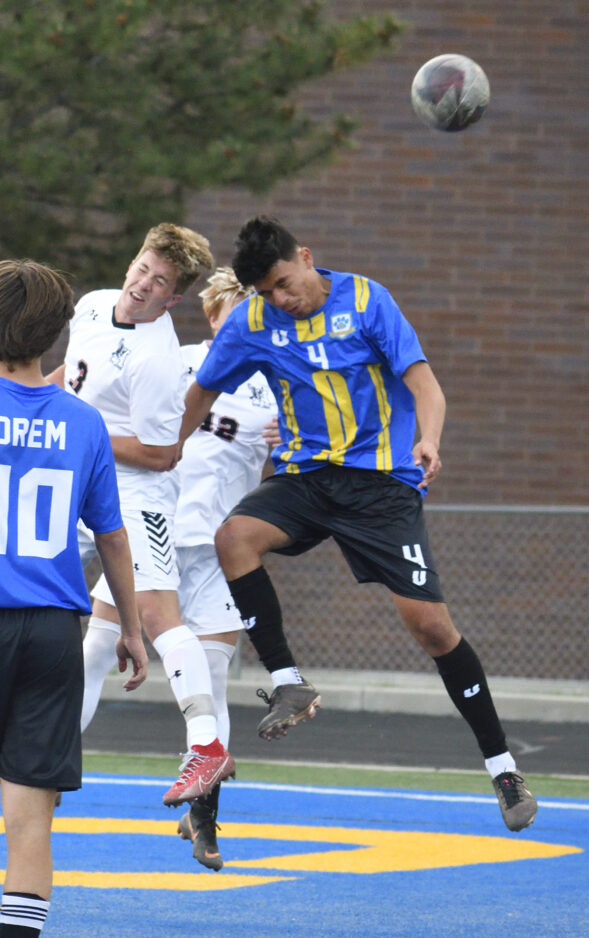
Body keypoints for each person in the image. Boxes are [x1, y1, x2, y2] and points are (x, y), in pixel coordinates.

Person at [179, 215, 539, 834]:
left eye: (286, 284)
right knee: (234, 537)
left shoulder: (367, 299)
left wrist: (429, 439)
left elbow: (425, 384)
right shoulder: (252, 322)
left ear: (308, 258)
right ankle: (288, 681)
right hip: (307, 478)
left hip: (381, 486)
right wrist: (166, 453)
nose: (281, 300)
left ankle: (503, 767)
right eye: (267, 292)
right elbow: (200, 395)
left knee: (431, 628)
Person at [47, 224, 234, 808]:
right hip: (80, 482)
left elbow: (162, 454)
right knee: (99, 643)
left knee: (153, 613)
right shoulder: (94, 305)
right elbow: (68, 378)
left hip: (135, 496)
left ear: (173, 298)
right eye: (142, 269)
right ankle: (51, 753)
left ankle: (206, 745)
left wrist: (83, 430)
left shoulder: (157, 359)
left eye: (159, 282)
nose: (142, 285)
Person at [0, 259, 147, 938]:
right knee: (31, 813)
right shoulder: (83, 423)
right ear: (55, 334)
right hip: (54, 630)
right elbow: (113, 539)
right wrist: (134, 628)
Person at [174, 268, 278, 870]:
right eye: (226, 314)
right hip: (154, 537)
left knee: (213, 682)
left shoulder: (274, 385)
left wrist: (289, 437)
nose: (236, 325)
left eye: (248, 315)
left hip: (218, 550)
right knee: (91, 653)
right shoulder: (182, 363)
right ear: (212, 317)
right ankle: (37, 783)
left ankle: (205, 817)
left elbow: (302, 453)